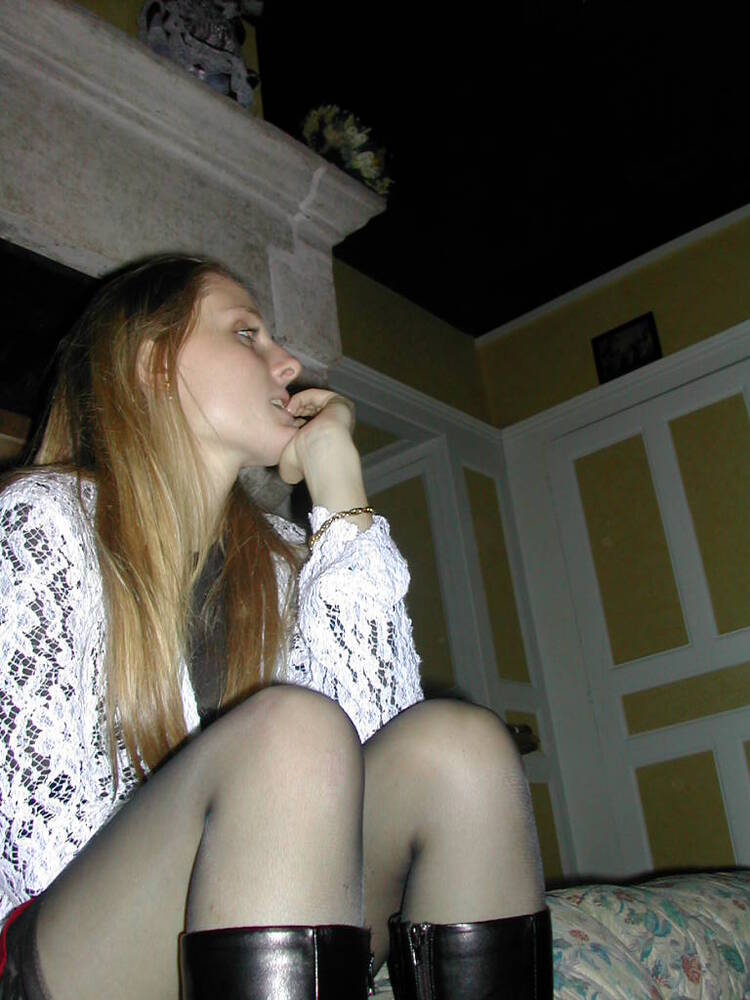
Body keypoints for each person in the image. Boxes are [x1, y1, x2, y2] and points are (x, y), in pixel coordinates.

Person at [0, 255, 551, 999]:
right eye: (246, 334)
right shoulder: (45, 523)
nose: (288, 364)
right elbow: (40, 846)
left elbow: (377, 753)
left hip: (249, 936)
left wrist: (339, 483)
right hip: (64, 952)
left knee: (461, 747)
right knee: (292, 730)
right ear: (153, 364)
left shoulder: (284, 561)